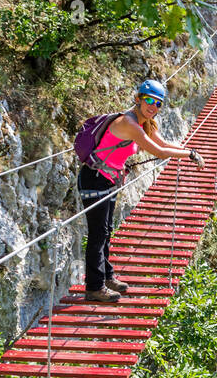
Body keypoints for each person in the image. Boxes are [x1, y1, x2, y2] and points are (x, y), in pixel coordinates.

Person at [80, 80, 205, 303]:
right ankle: (94, 287)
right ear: (138, 99)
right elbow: (159, 151)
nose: (153, 106)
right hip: (94, 179)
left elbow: (164, 142)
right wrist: (190, 156)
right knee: (98, 235)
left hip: (108, 180)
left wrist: (190, 150)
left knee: (106, 230)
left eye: (158, 103)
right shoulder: (129, 123)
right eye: (148, 100)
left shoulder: (145, 122)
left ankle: (107, 277)